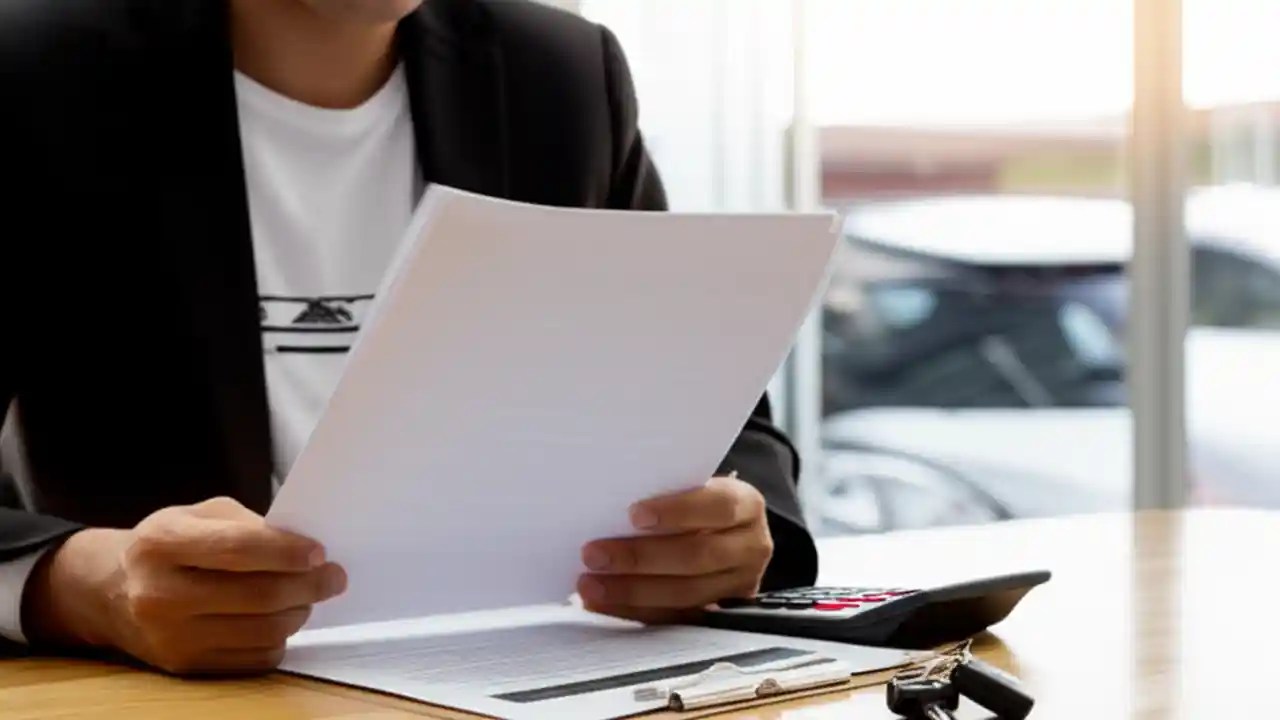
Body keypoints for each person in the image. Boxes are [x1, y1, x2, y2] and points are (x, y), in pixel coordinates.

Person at [0, 0, 817, 675]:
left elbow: (720, 412)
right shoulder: (34, 71)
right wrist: (82, 588)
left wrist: (732, 536)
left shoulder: (558, 74)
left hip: (519, 669)